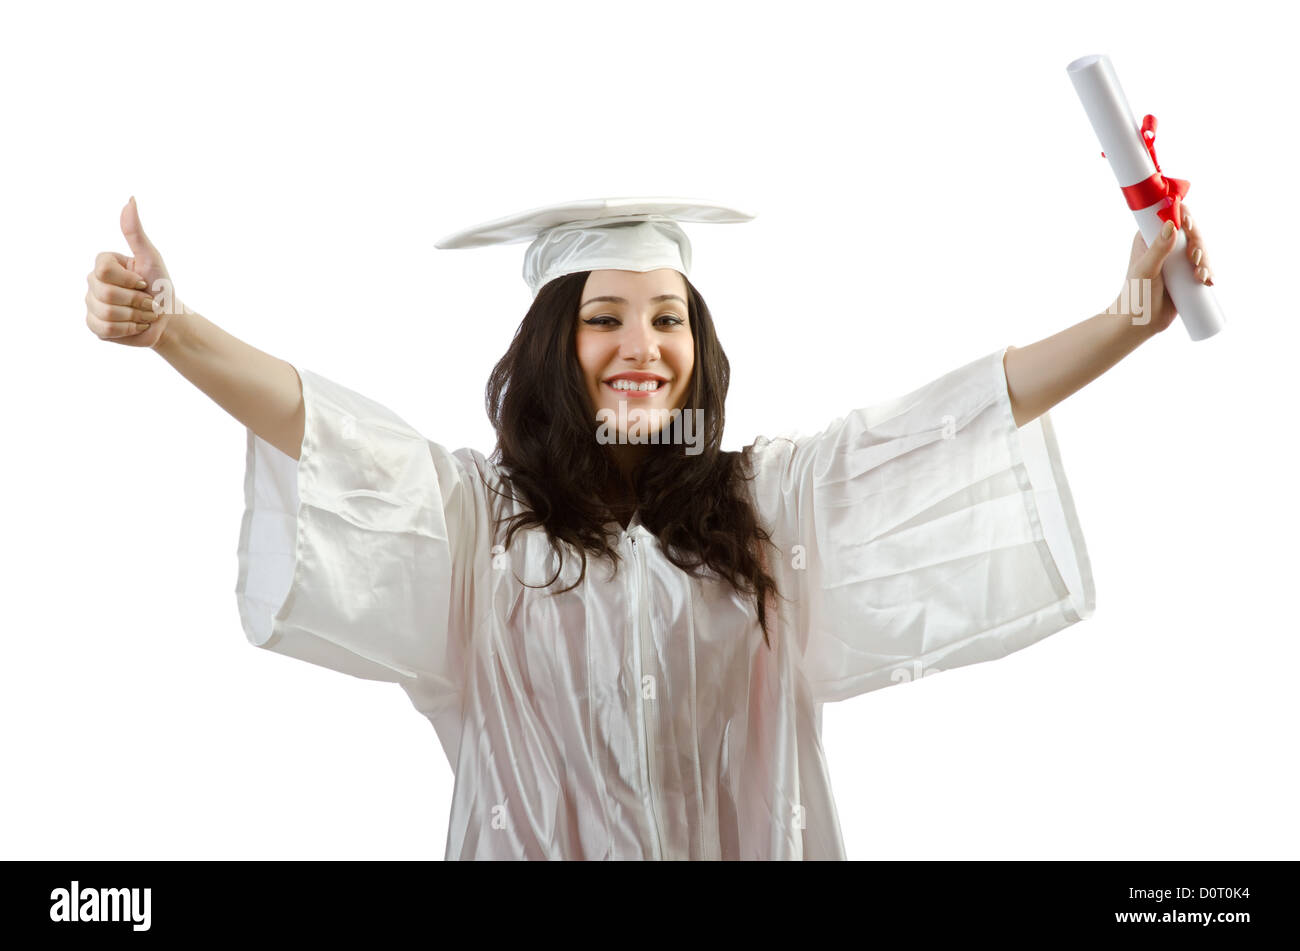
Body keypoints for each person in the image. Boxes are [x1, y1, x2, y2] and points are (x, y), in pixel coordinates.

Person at [84, 195, 1216, 860]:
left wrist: (1131, 315)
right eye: (604, 319)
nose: (643, 346)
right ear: (550, 349)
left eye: (667, 318)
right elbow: (326, 431)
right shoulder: (483, 527)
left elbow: (951, 418)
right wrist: (174, 329)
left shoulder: (766, 508)